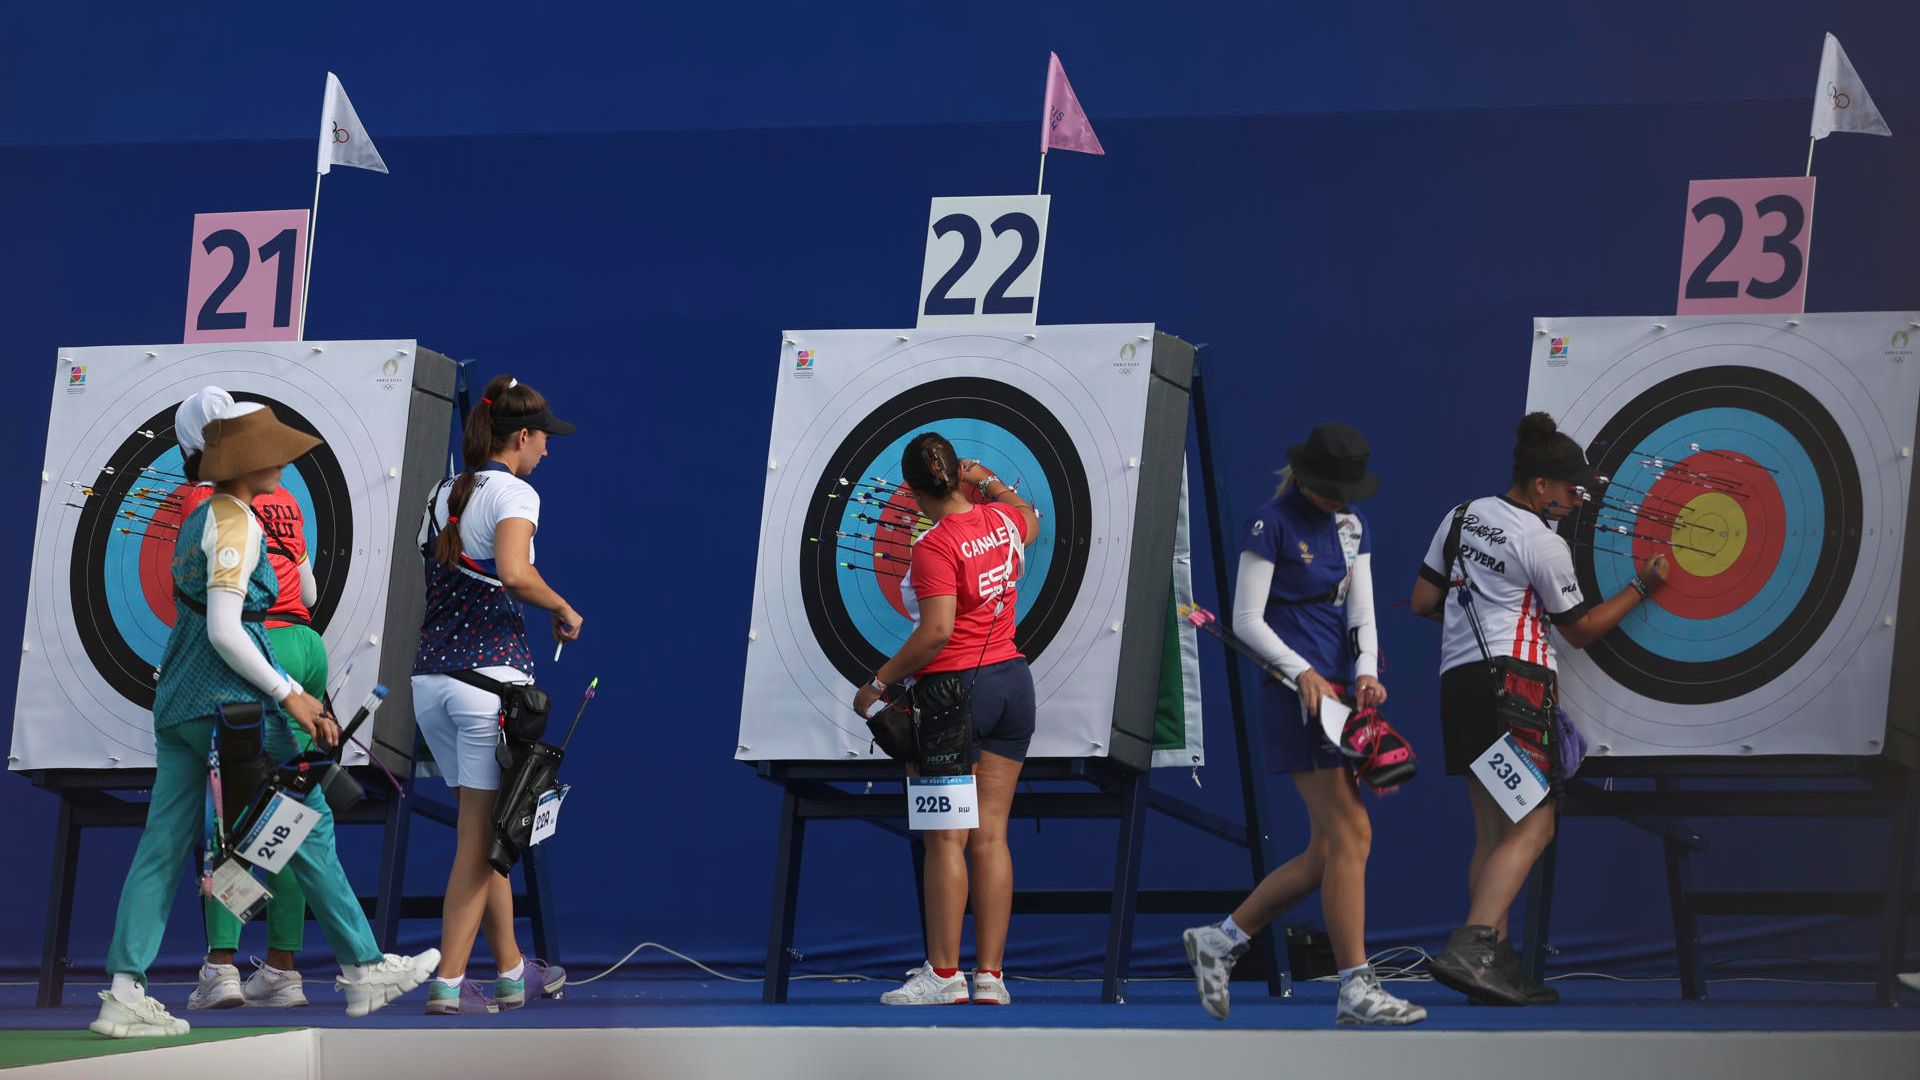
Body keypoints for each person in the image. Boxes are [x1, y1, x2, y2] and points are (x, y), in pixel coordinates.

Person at [91, 403, 438, 1039]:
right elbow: (227, 629)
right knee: (304, 823)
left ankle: (123, 991)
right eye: (271, 449)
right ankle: (363, 969)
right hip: (232, 709)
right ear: (243, 460)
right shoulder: (236, 524)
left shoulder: (204, 513)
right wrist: (291, 695)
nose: (283, 458)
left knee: (164, 845)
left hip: (184, 704)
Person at [1410, 412, 1669, 1006]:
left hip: (1461, 685)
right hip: (1516, 692)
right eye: (1570, 488)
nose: (1577, 499)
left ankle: (1491, 970)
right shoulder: (1542, 544)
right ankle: (1473, 945)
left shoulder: (1462, 515)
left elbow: (1425, 599)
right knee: (1535, 824)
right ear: (1540, 485)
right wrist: (1642, 586)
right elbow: (1578, 631)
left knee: (1491, 831)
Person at [1180, 422, 1427, 1027]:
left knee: (1327, 851)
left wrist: (1367, 668)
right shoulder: (1272, 522)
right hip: (1299, 698)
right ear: (1309, 478)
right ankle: (1355, 988)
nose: (1342, 499)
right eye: (1333, 487)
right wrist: (1301, 674)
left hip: (1344, 694)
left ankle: (1222, 940)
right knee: (1352, 835)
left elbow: (1361, 609)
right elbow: (1244, 620)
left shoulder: (1352, 523)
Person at [851, 433, 1039, 1006]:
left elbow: (935, 633)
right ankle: (991, 979)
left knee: (945, 842)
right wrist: (988, 481)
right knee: (991, 837)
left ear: (909, 490)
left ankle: (943, 974)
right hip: (1012, 685)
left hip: (954, 696)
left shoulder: (934, 546)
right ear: (956, 477)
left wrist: (878, 683)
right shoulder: (1001, 521)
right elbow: (1029, 515)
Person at [411, 375, 578, 1015]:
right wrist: (562, 605)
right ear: (522, 436)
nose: (547, 451)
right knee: (478, 845)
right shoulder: (515, 492)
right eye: (544, 439)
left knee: (492, 834)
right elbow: (513, 572)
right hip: (489, 689)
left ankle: (511, 971)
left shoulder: (442, 492)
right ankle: (448, 983)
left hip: (432, 686)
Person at [168, 388, 325, 1010]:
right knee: (288, 809)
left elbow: (200, 607)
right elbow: (308, 586)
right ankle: (284, 969)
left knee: (229, 815)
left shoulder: (205, 501)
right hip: (307, 642)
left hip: (259, 652)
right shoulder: (278, 492)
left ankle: (222, 966)